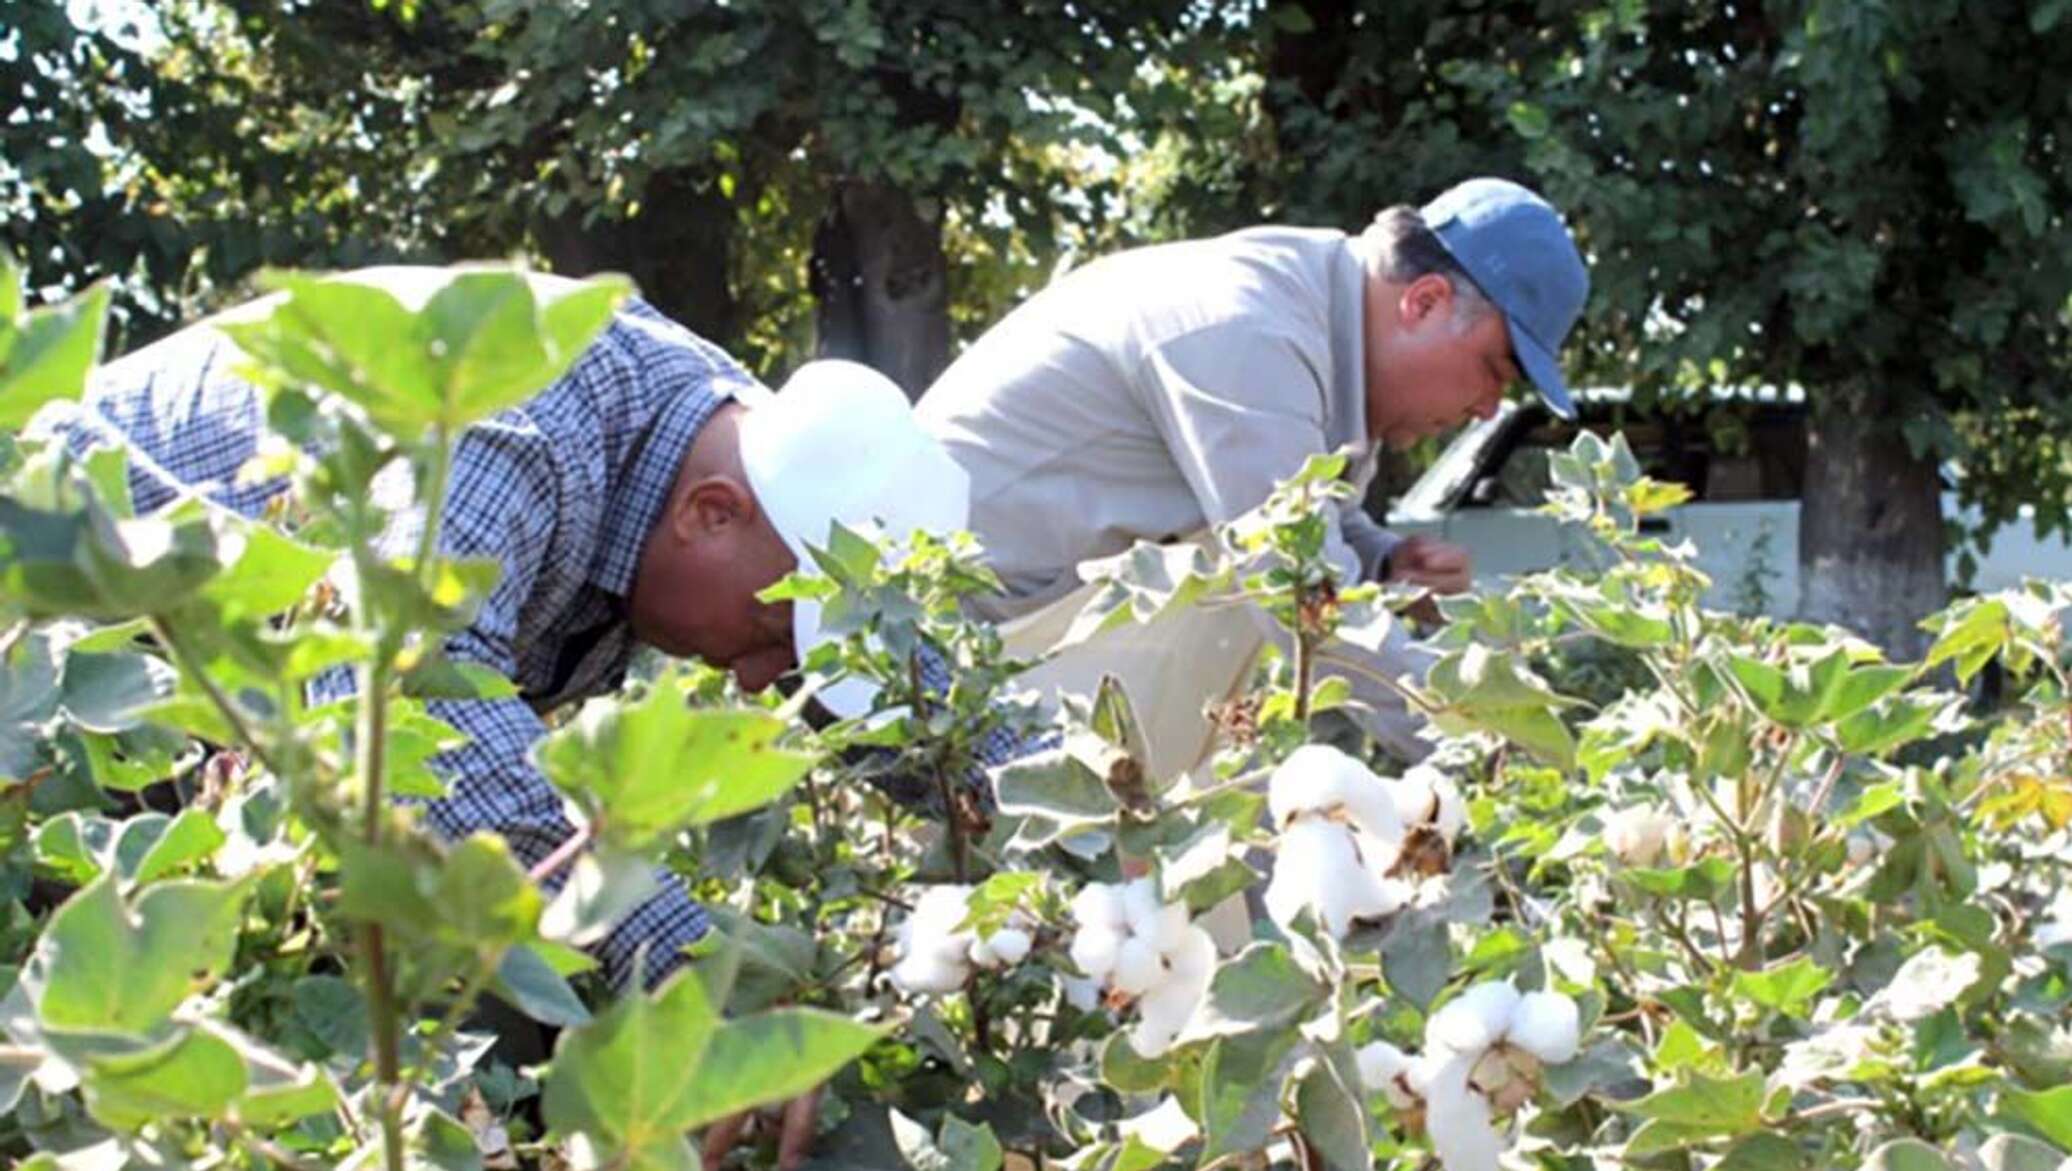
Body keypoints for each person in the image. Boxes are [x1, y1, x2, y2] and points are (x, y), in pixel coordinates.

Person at [38, 267, 989, 996]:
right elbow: (398, 703)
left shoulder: (752, 442)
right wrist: (682, 964)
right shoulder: (519, 425)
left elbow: (897, 681)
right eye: (776, 633)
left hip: (198, 707)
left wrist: (1067, 835)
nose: (764, 681)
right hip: (46, 617)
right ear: (708, 513)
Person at [917, 177, 1590, 772]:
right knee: (1263, 590)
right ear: (1425, 301)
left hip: (1016, 633)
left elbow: (1307, 513)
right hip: (933, 659)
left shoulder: (1317, 324)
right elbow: (1303, 603)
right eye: (1495, 369)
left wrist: (1382, 560)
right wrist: (1493, 763)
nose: (1486, 408)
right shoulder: (1251, 332)